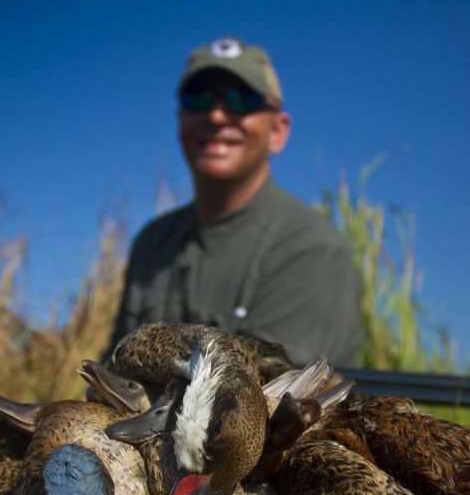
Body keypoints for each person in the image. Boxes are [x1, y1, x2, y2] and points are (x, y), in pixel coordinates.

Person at [108, 37, 365, 366]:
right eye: (198, 98)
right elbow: (111, 373)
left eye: (242, 99)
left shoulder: (312, 249)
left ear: (278, 131)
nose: (215, 115)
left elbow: (269, 404)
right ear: (180, 120)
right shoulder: (152, 242)